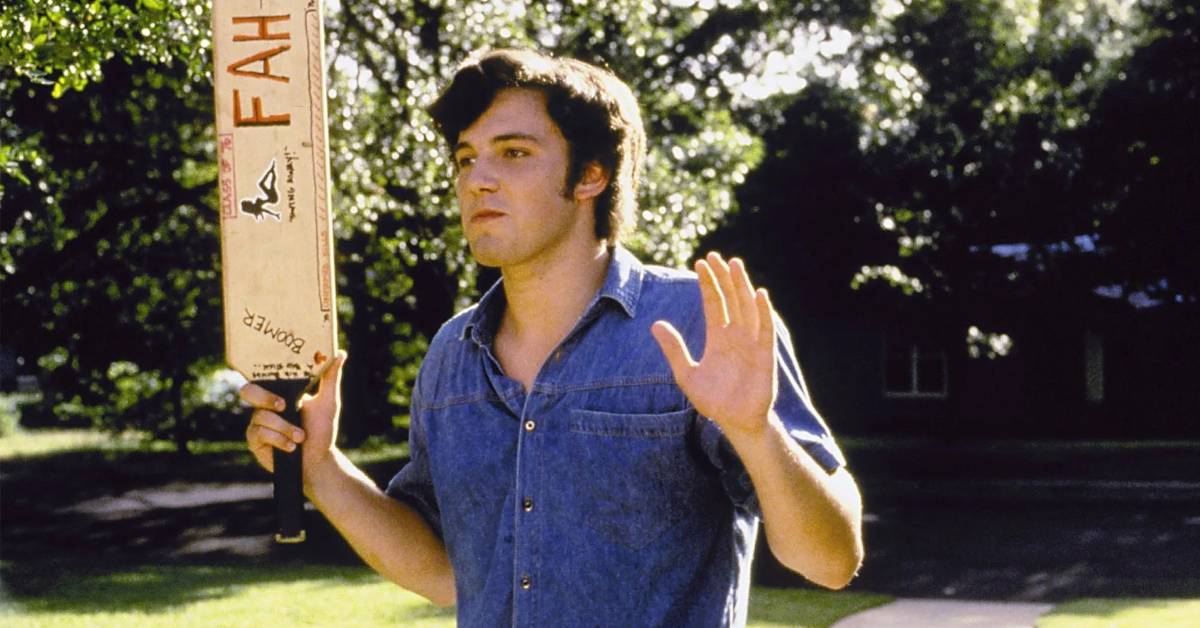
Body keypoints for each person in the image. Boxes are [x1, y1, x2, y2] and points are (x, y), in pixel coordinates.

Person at [242, 48, 863, 627]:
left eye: (513, 153)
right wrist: (320, 468)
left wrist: (756, 432)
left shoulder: (700, 326)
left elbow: (832, 561)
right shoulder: (452, 356)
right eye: (465, 158)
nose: (477, 180)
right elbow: (445, 573)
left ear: (591, 175)